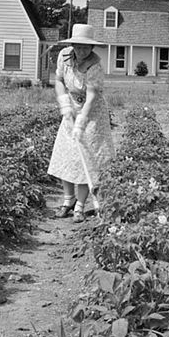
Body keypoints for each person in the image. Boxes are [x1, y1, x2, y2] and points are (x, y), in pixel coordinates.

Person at [47, 24, 115, 222]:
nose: (82, 50)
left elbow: (92, 96)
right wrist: (65, 106)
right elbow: (59, 80)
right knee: (67, 156)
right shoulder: (64, 56)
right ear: (73, 44)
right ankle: (68, 201)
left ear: (92, 48)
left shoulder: (94, 66)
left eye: (86, 47)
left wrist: (81, 122)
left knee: (87, 158)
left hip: (91, 114)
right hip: (71, 110)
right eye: (78, 46)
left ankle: (80, 206)